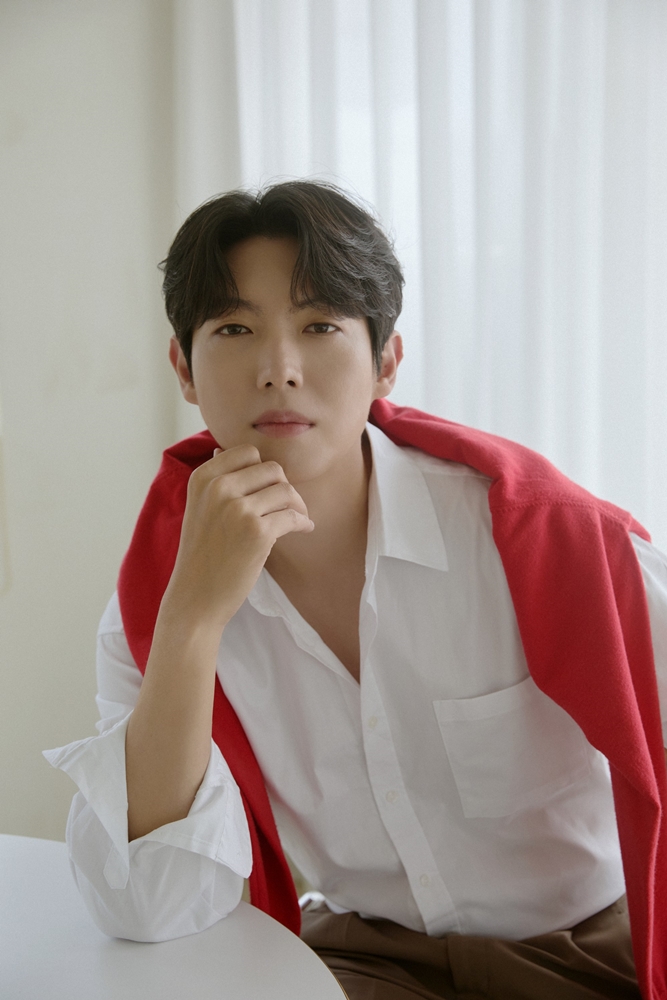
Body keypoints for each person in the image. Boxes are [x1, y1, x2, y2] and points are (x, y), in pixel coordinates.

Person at [45, 180, 667, 1000]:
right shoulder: (157, 602)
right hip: (367, 962)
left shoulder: (544, 538)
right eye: (233, 328)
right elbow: (145, 906)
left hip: (592, 954)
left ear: (385, 362)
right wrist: (192, 623)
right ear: (183, 369)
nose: (278, 370)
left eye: (319, 326)